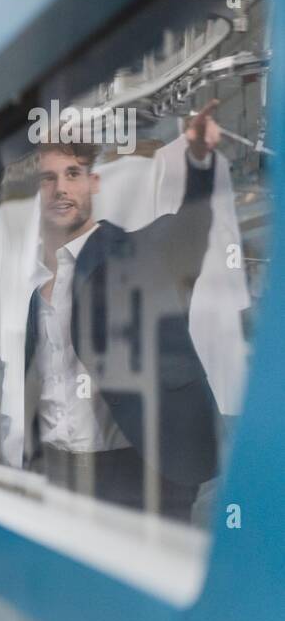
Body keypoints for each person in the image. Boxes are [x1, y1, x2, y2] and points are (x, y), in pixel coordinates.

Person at [22, 102, 223, 519]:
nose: (60, 188)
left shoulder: (135, 254)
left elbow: (190, 231)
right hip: (59, 478)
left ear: (93, 182)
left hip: (134, 475)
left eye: (72, 174)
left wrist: (199, 166)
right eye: (48, 179)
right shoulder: (36, 296)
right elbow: (42, 392)